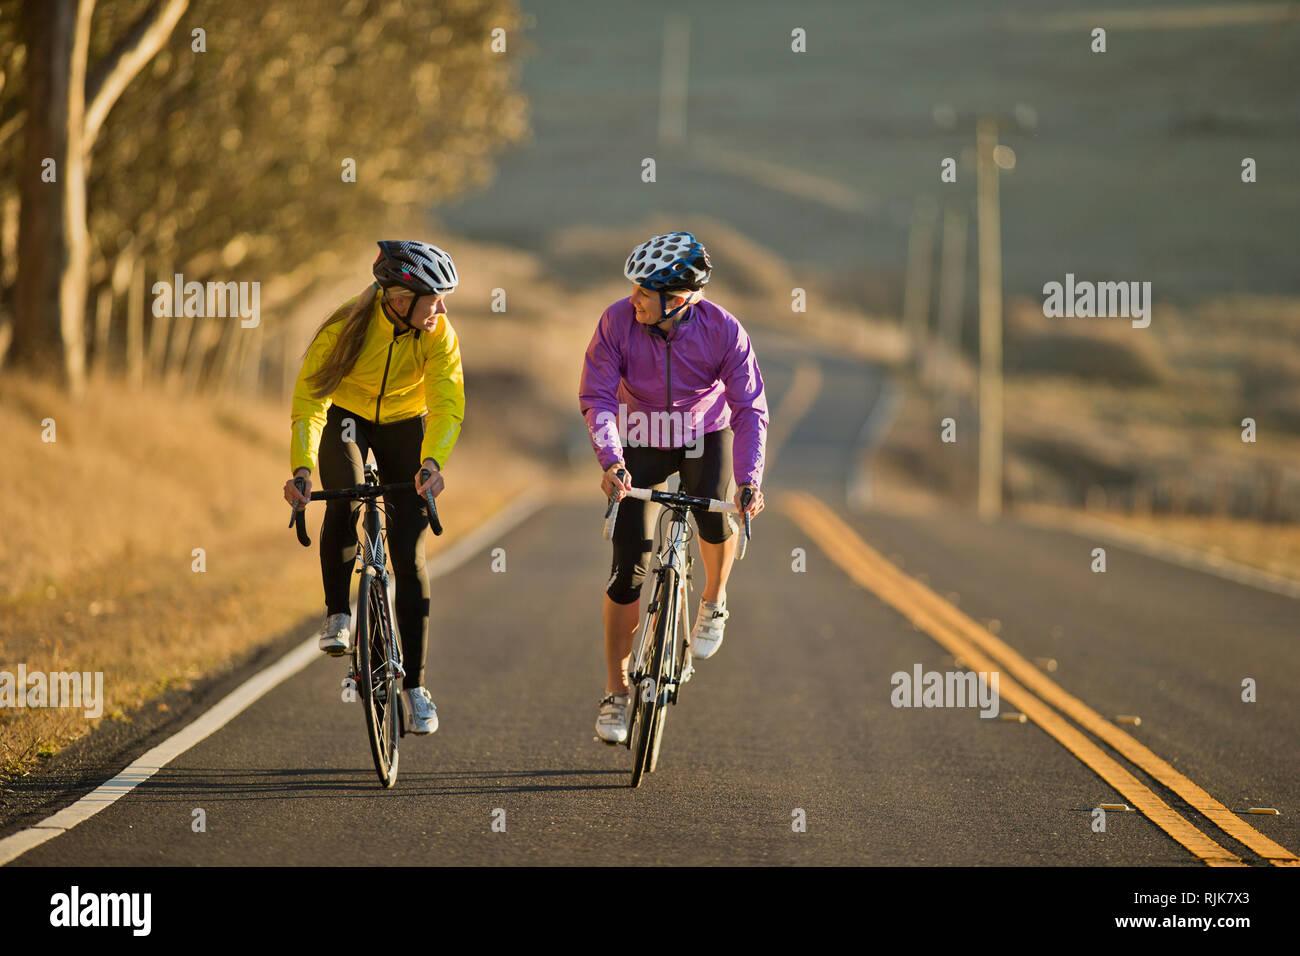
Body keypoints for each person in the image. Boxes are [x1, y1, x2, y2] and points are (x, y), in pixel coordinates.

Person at [579, 231, 768, 744]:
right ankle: (617, 692)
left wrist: (750, 480)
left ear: (679, 299)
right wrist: (612, 462)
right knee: (628, 568)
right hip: (640, 434)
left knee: (712, 511)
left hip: (704, 433)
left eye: (646, 292)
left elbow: (749, 408)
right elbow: (596, 395)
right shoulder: (617, 320)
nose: (634, 298)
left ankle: (713, 599)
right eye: (635, 289)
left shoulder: (723, 330)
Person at [282, 240, 465, 735]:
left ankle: (416, 687)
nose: (443, 309)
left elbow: (448, 403)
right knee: (344, 497)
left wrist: (432, 462)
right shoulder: (347, 326)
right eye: (436, 298)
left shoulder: (437, 333)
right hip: (347, 420)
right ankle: (339, 614)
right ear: (401, 298)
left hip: (405, 424)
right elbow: (310, 400)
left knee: (409, 553)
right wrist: (302, 470)